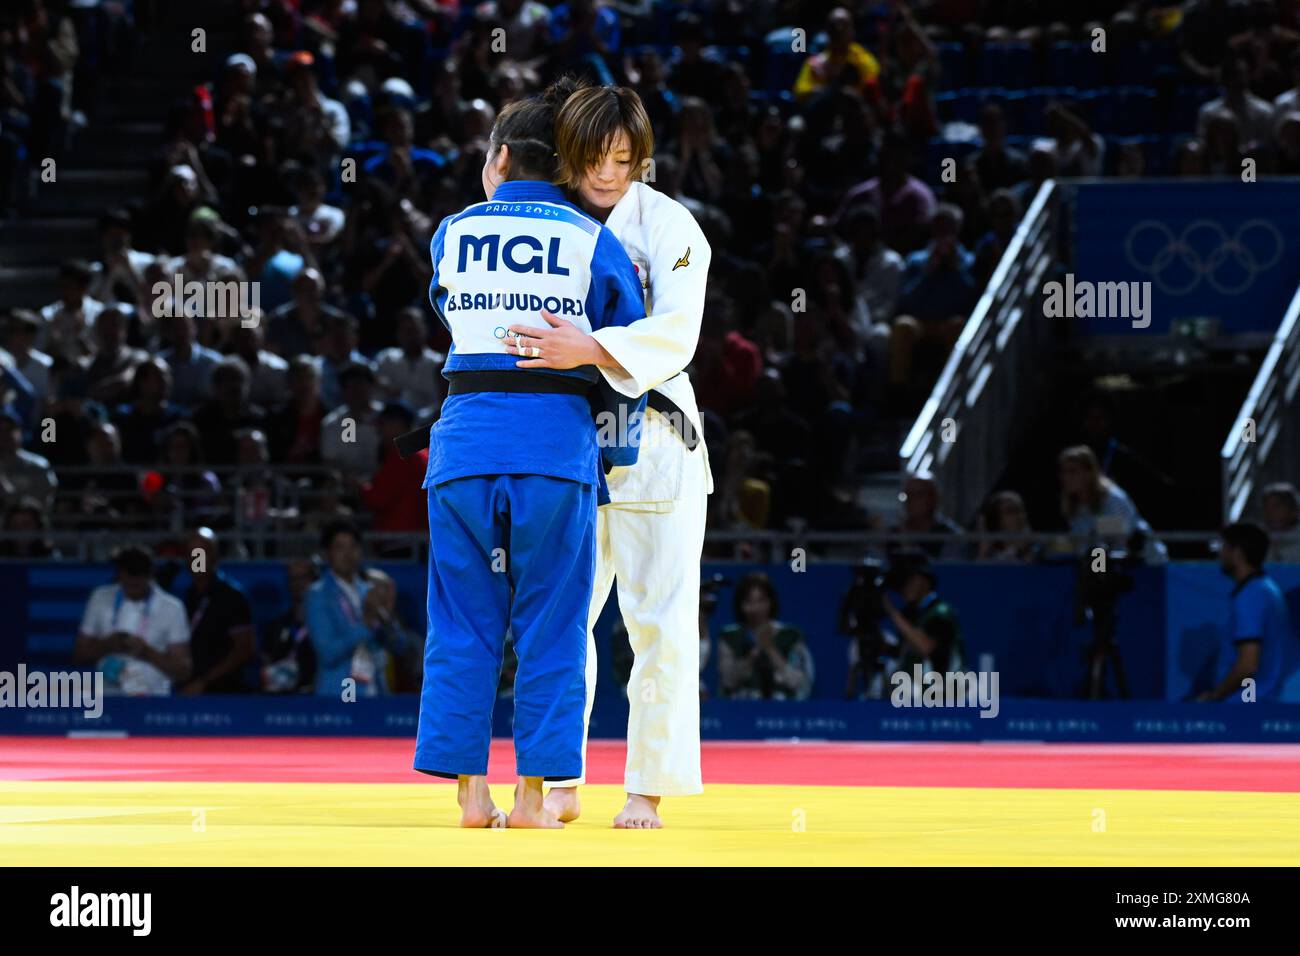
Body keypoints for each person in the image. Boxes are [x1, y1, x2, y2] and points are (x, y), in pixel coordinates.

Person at [413, 81, 647, 830]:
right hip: (554, 446)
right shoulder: (592, 239)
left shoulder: (452, 230)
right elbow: (626, 352)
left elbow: (448, 306)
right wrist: (617, 451)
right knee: (552, 622)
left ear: (500, 157)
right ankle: (536, 796)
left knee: (462, 620)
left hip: (465, 446)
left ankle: (469, 792)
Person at [503, 81, 712, 829]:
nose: (607, 174)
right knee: (562, 619)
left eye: (624, 159)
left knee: (658, 620)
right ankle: (558, 775)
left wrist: (590, 346)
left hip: (657, 441)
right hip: (569, 438)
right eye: (594, 157)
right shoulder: (546, 224)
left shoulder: (671, 225)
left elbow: (679, 333)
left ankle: (647, 788)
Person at [72, 545, 192, 696]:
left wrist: (146, 651)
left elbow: (183, 670)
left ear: (151, 575)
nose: (134, 584)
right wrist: (106, 645)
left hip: (152, 698)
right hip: (108, 698)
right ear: (120, 574)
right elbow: (78, 655)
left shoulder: (172, 608)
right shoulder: (100, 598)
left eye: (139, 578)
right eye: (129, 579)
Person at [1198, 523, 1295, 703]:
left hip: (1250, 707)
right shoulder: (1264, 589)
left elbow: (1248, 665)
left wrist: (1215, 696)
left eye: (1224, 547)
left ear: (1237, 553)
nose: (1220, 554)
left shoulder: (1252, 596)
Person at [178, 527, 255, 694]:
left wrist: (204, 681)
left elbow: (243, 649)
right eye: (191, 553)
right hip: (188, 689)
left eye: (201, 552)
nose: (196, 559)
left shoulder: (232, 597)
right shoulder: (184, 598)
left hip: (224, 692)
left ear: (214, 556)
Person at [716, 572, 814, 700]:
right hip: (741, 709)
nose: (755, 608)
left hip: (783, 711)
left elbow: (799, 683)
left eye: (761, 601)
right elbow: (728, 681)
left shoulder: (791, 635)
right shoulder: (729, 637)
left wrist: (770, 648)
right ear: (740, 605)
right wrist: (755, 652)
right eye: (748, 602)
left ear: (771, 602)